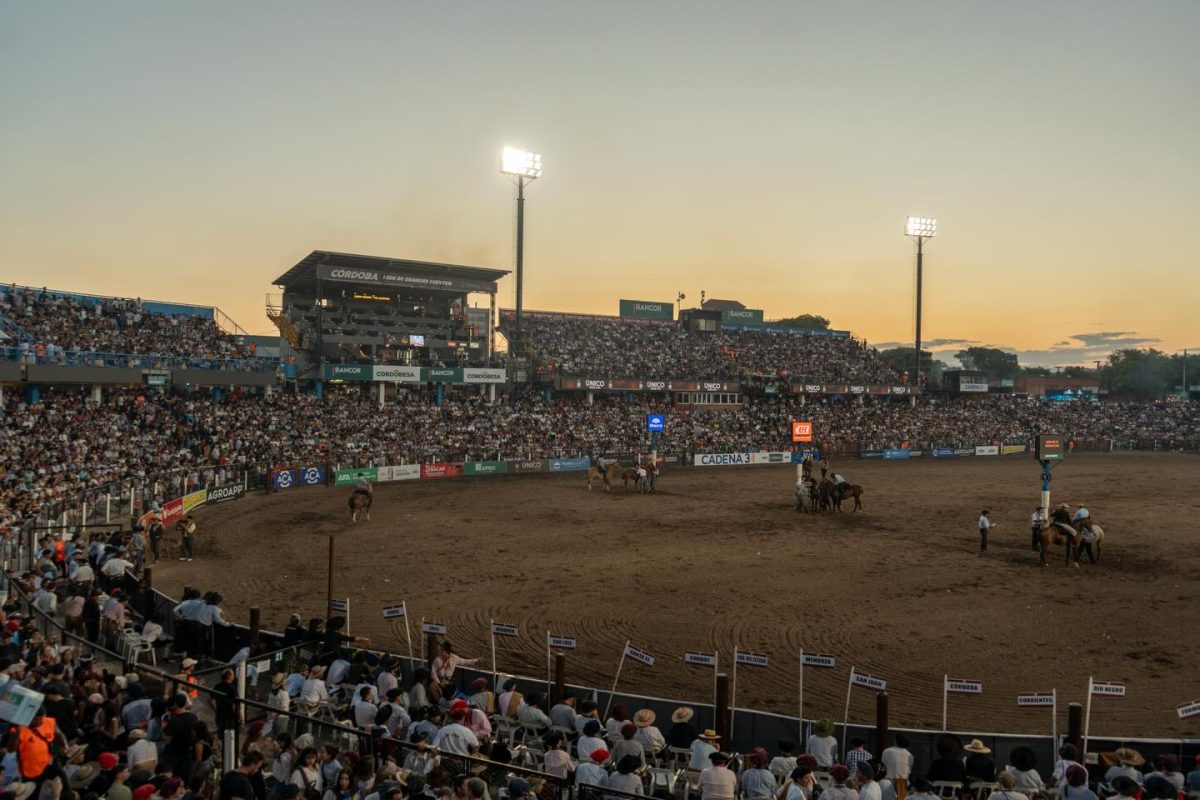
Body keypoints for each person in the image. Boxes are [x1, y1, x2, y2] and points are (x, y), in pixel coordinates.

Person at [881, 734, 913, 800]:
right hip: (903, 787)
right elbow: (909, 773)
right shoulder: (910, 755)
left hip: (888, 784)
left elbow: (883, 768)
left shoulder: (887, 751)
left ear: (895, 741)